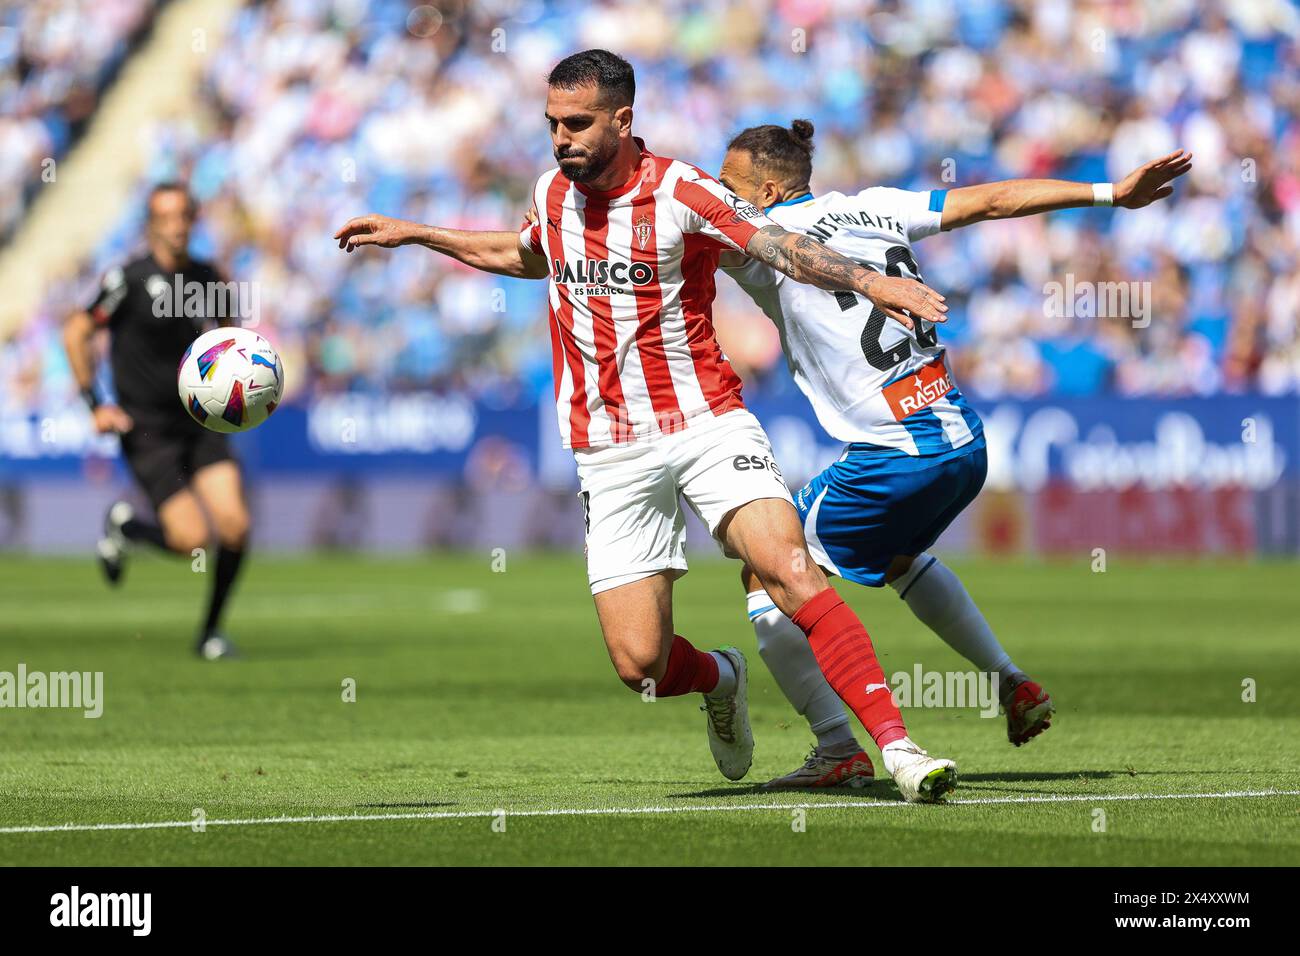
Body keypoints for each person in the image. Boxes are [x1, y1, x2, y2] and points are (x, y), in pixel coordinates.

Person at [335, 50, 961, 802]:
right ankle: (723, 676)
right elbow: (527, 254)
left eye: (577, 123)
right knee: (641, 665)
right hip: (609, 449)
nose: (560, 138)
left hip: (705, 422)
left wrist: (868, 279)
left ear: (622, 119)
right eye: (552, 124)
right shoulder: (551, 193)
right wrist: (417, 233)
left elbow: (778, 247)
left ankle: (897, 749)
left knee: (788, 570)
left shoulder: (683, 189)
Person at [715, 119, 1192, 788]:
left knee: (766, 572)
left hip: (896, 454)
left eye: (730, 185)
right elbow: (994, 201)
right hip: (963, 440)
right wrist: (1112, 192)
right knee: (896, 557)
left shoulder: (757, 245)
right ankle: (1010, 681)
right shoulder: (874, 205)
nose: (719, 195)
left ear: (766, 190)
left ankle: (839, 748)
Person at [63, 183, 251, 660]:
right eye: (166, 216)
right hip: (145, 427)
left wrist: (242, 387)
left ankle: (210, 632)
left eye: (184, 215)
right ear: (151, 224)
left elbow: (232, 339)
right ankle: (127, 531)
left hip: (200, 420)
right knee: (192, 541)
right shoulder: (127, 278)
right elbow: (77, 329)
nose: (176, 225)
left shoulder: (208, 278)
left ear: (193, 220)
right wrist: (95, 402)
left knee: (235, 525)